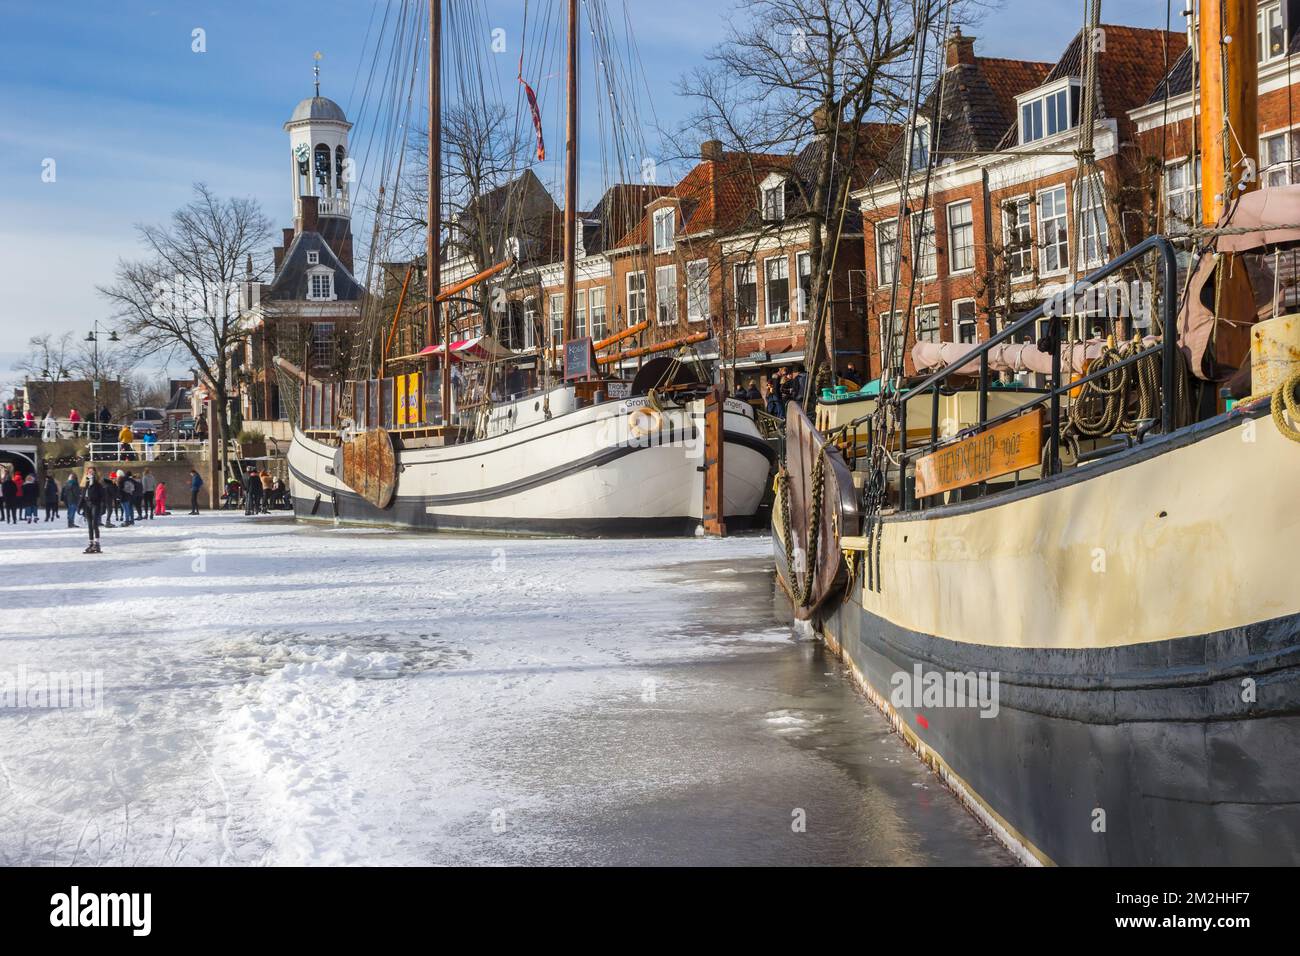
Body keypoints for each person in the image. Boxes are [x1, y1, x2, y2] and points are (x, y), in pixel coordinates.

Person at [80, 467, 105, 554]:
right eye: (89, 472)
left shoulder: (98, 484)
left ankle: (97, 543)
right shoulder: (85, 484)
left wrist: (103, 507)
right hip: (87, 505)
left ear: (94, 473)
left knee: (95, 524)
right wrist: (79, 506)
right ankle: (91, 543)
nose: (90, 473)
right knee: (90, 525)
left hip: (95, 505)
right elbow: (83, 496)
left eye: (92, 472)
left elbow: (102, 496)